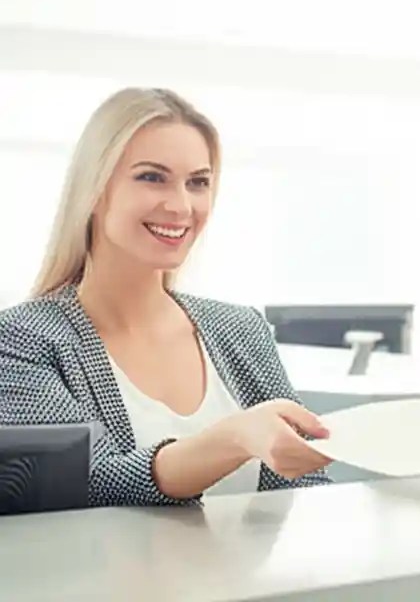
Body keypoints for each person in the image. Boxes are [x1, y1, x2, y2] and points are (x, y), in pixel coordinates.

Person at [0, 88, 332, 506]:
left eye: (198, 183)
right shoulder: (21, 339)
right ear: (95, 190)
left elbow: (306, 489)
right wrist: (234, 438)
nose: (181, 205)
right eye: (152, 177)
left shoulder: (241, 330)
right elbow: (91, 485)